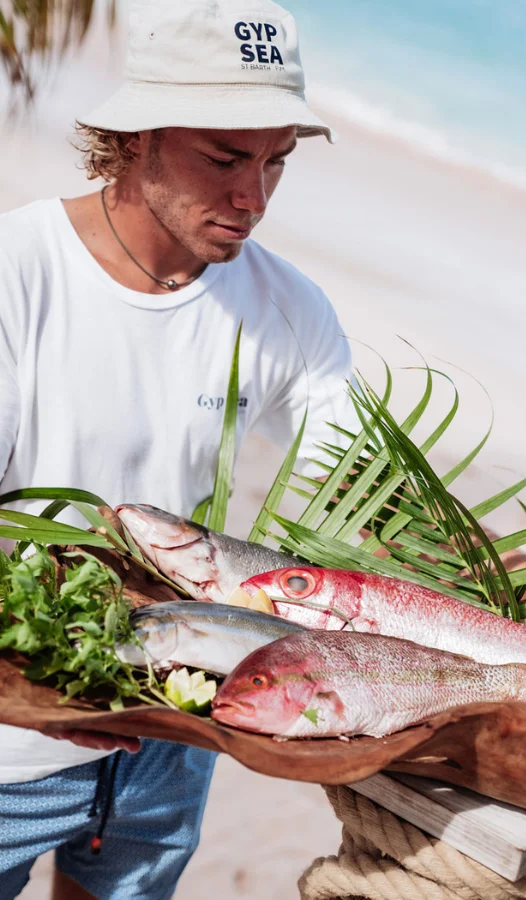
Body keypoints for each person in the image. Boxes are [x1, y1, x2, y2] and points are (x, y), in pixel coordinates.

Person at [0, 1, 358, 898]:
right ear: (136, 138)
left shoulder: (290, 310)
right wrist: (28, 695)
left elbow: (356, 498)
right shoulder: (20, 273)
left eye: (277, 161)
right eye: (226, 157)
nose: (254, 197)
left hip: (176, 734)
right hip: (9, 732)